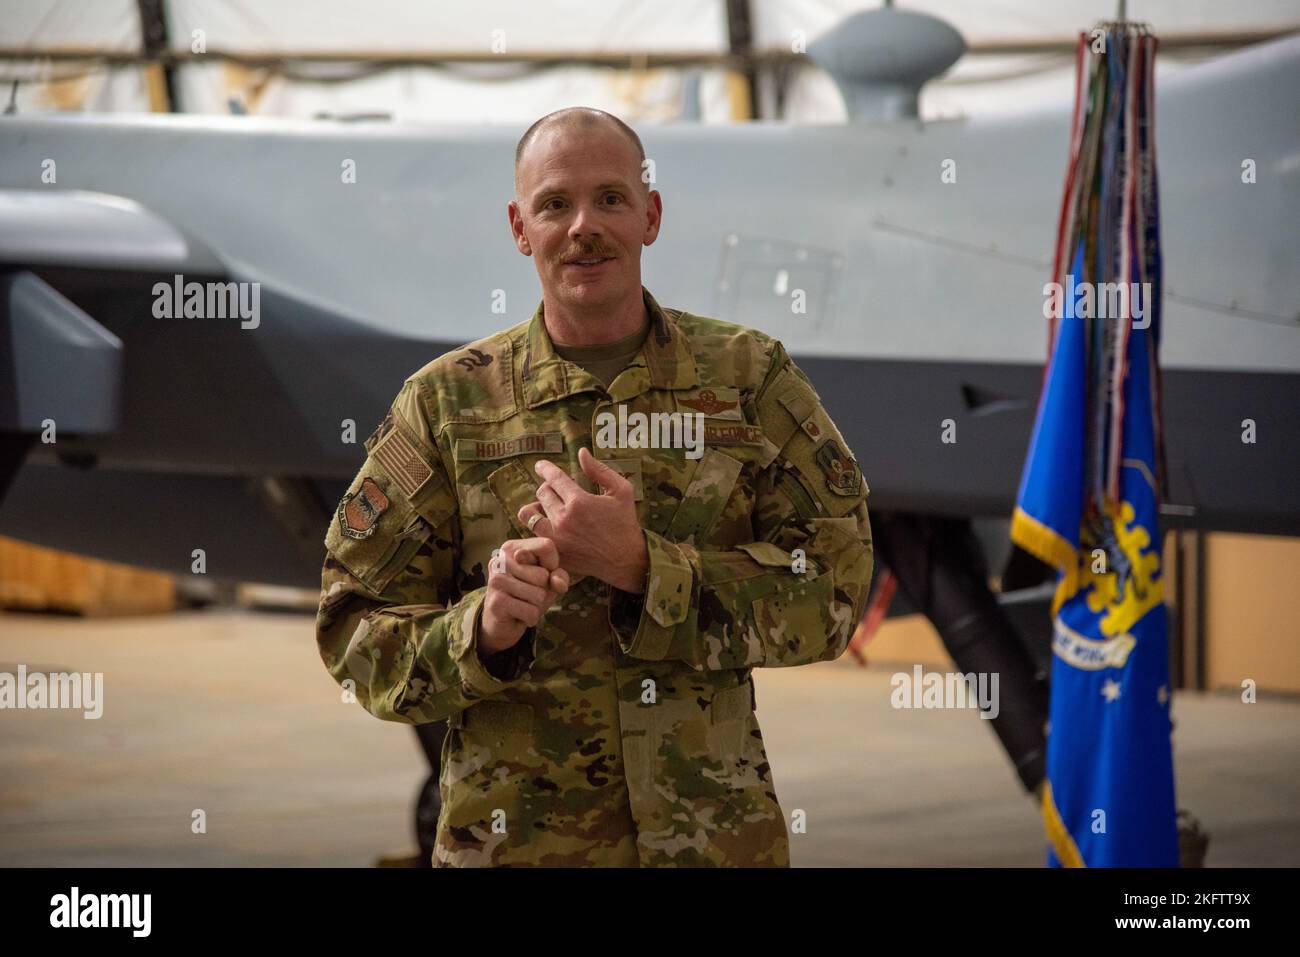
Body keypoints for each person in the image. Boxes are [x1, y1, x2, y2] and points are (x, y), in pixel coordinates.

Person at [315, 106, 873, 866]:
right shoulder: (447, 404)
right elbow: (353, 628)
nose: (584, 226)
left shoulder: (749, 379)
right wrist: (482, 629)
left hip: (713, 846)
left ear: (651, 214)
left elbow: (838, 588)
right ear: (520, 227)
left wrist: (647, 568)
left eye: (611, 198)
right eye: (554, 204)